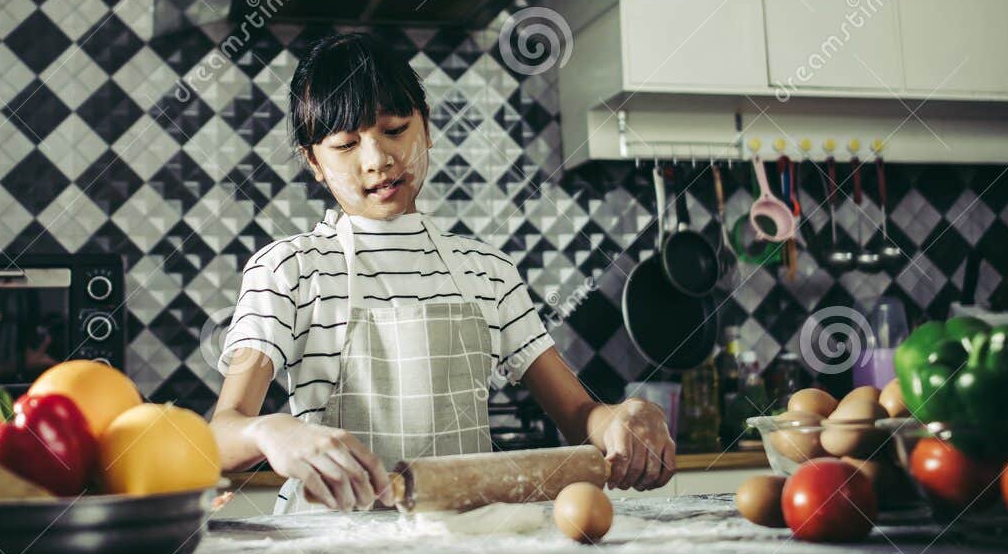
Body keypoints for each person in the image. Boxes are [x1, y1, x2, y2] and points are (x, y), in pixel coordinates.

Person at [209, 31, 675, 512]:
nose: (378, 160)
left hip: (462, 548)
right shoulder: (287, 271)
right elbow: (221, 432)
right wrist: (268, 429)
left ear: (426, 129)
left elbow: (579, 415)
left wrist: (623, 417)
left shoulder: (488, 272)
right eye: (346, 144)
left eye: (395, 130)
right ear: (315, 162)